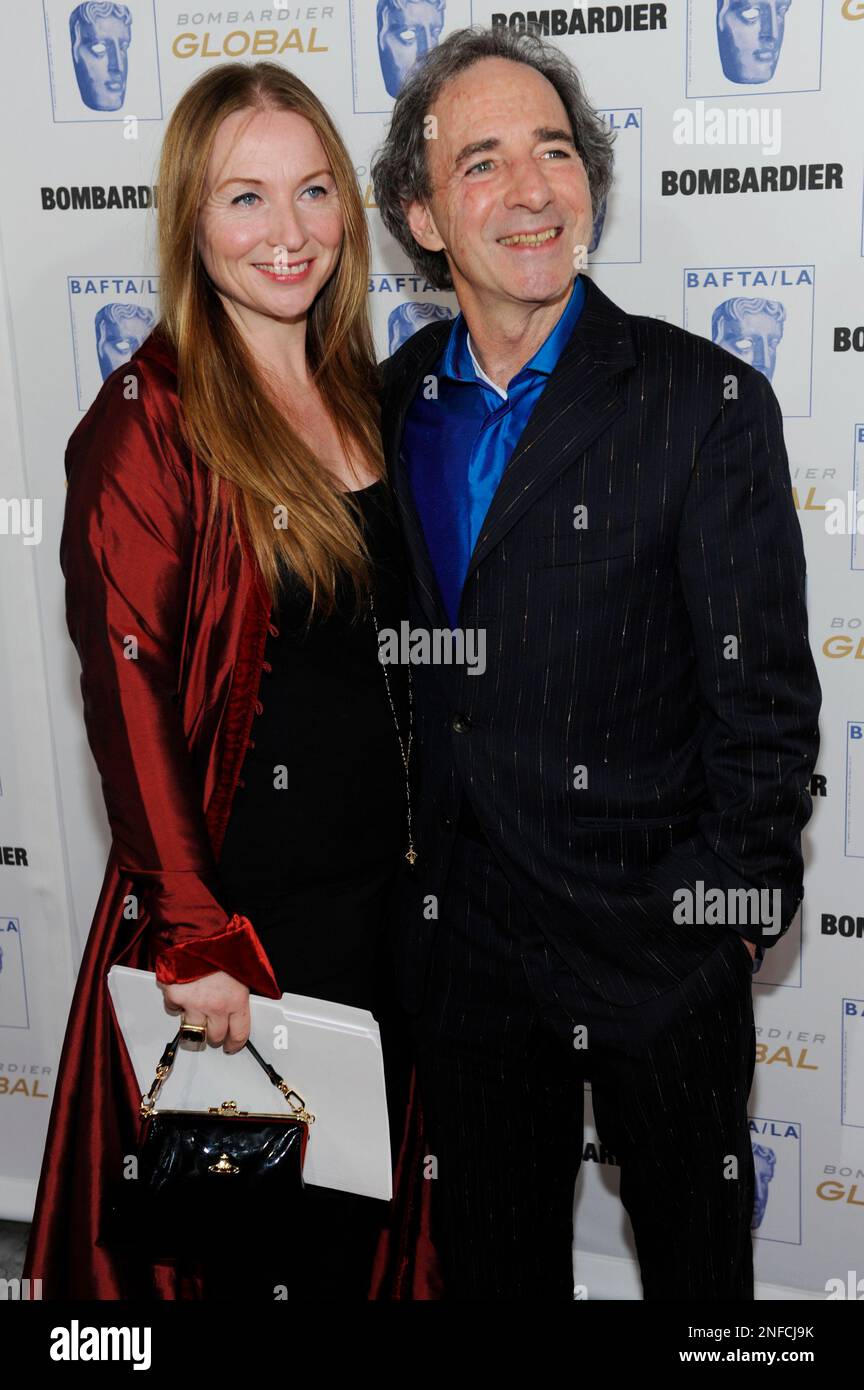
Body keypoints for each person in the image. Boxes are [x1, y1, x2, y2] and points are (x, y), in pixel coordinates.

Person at [372, 25, 821, 1299]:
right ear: (420, 214)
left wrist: (716, 936)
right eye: (484, 163)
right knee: (498, 1273)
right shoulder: (389, 405)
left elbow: (768, 709)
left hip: (656, 955)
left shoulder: (704, 403)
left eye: (555, 152)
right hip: (467, 966)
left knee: (698, 1286)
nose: (532, 191)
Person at [24, 59, 439, 1301]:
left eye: (313, 191)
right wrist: (201, 937)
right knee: (251, 1251)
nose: (290, 231)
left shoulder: (372, 393)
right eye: (245, 198)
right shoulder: (146, 424)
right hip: (249, 931)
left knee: (362, 1231)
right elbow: (130, 700)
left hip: (385, 909)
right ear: (191, 224)